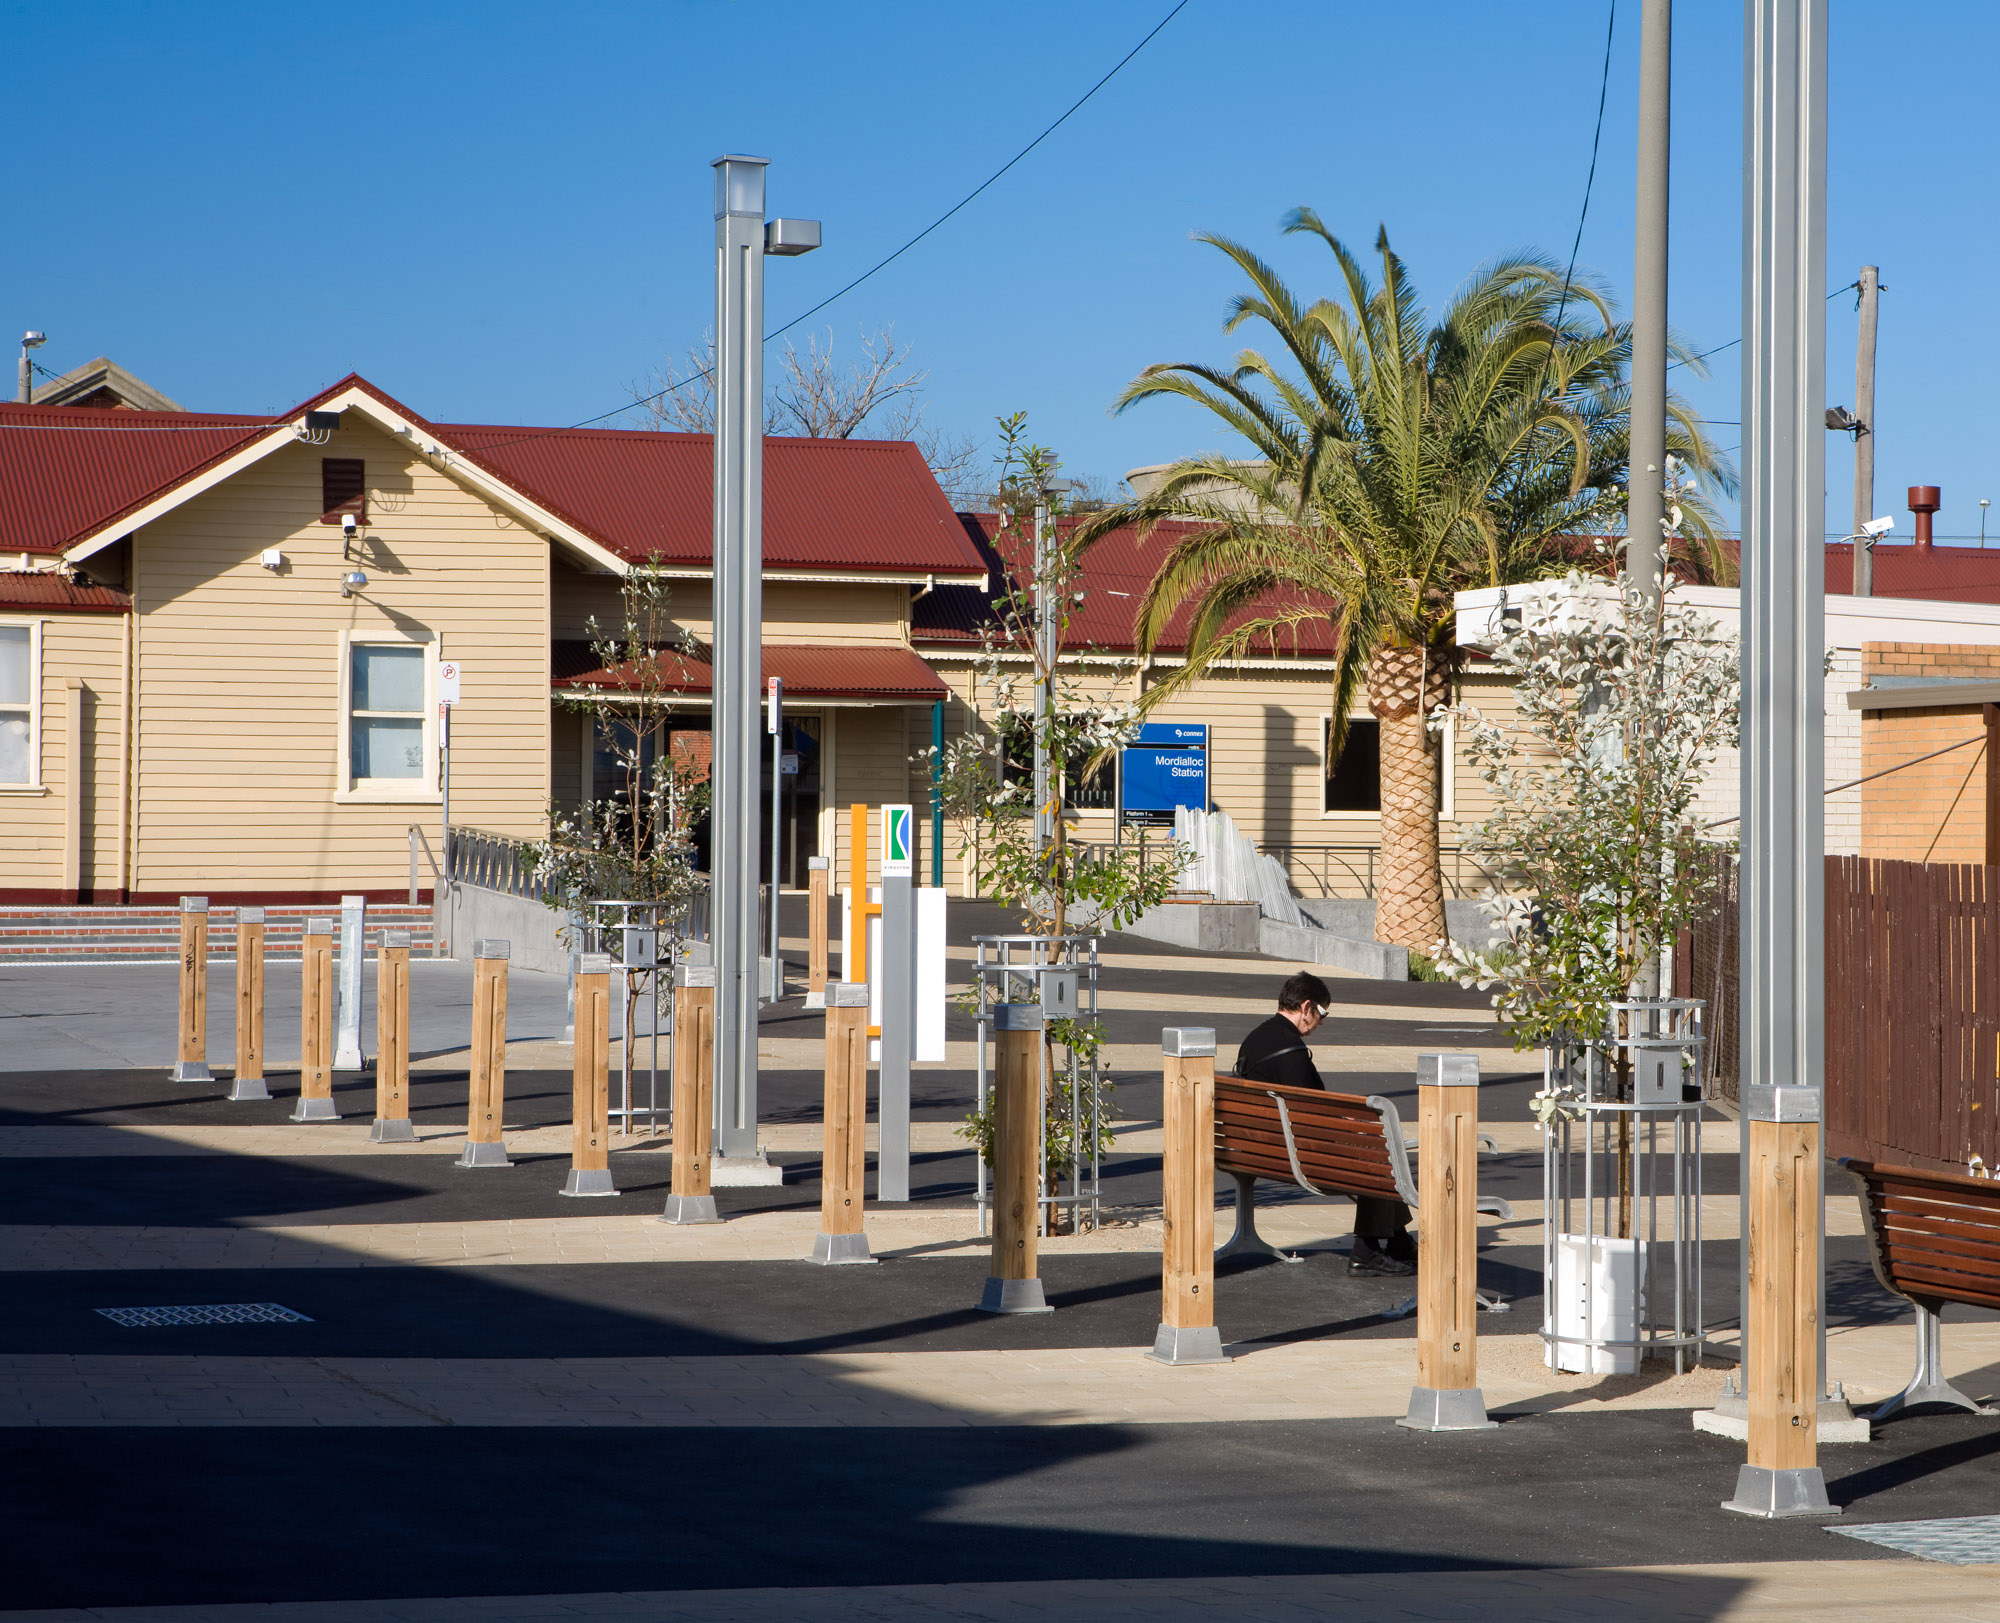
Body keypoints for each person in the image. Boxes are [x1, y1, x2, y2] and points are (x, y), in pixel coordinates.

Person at [1234, 971, 1417, 1277]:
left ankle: (1398, 1242)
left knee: (1372, 1148)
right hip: (1298, 1155)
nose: (1320, 1023)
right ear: (1306, 1007)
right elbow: (1314, 1113)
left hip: (1257, 1148)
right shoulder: (1291, 1051)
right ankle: (1367, 1251)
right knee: (1377, 1154)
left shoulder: (1256, 1039)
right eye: (1322, 1014)